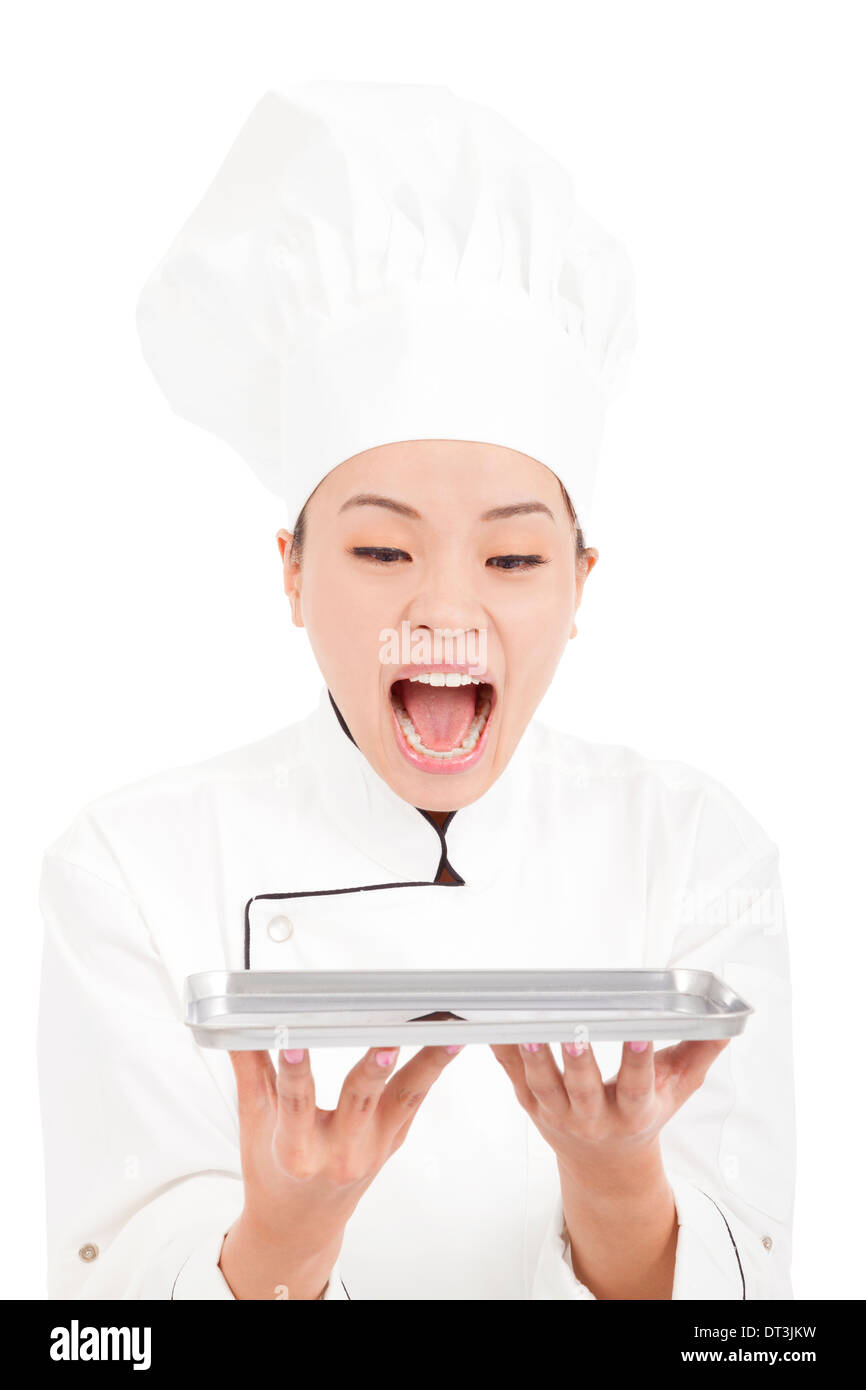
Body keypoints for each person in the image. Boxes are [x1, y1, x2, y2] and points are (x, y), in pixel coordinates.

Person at [37, 81, 795, 1301]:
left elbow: (755, 1333)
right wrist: (286, 1238)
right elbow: (95, 1337)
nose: (444, 608)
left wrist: (612, 1179)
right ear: (288, 570)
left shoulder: (697, 850)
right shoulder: (124, 869)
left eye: (510, 558)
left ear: (580, 578)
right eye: (382, 550)